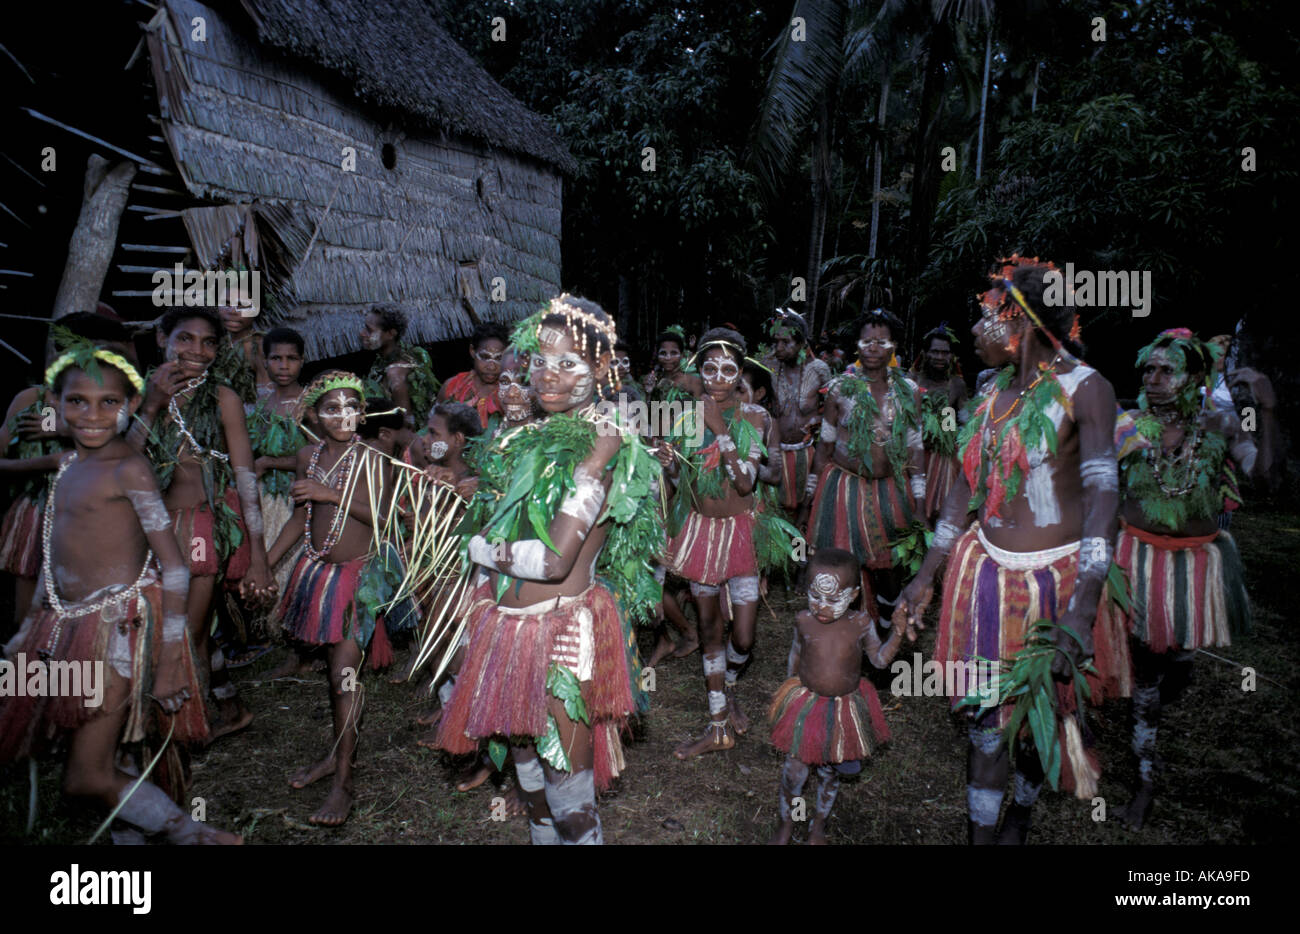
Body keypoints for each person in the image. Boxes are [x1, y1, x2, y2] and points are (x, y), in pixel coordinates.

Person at [894, 255, 1121, 845]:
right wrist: (925, 577)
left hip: (1057, 584)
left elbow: (1104, 497)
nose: (972, 332)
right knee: (986, 723)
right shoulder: (992, 392)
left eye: (983, 319)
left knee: (1038, 716)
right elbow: (962, 496)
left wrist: (1083, 607)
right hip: (987, 577)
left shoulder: (1085, 390)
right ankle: (982, 832)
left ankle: (1020, 810)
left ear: (1016, 321)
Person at [436, 295, 661, 844]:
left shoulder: (609, 449)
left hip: (561, 630)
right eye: (539, 360)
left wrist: (479, 548)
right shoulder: (518, 439)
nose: (548, 376)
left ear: (602, 369)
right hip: (504, 630)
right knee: (529, 781)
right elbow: (487, 534)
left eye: (568, 363)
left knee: (569, 797)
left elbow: (555, 561)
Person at [0, 344, 238, 843]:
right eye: (77, 402)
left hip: (119, 628)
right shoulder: (67, 464)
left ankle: (196, 835)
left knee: (86, 776)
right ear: (56, 405)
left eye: (108, 402)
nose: (92, 415)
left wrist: (172, 658)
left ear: (131, 405)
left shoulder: (127, 467)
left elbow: (173, 566)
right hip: (72, 623)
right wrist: (35, 626)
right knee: (113, 750)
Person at [1099, 328, 1274, 830]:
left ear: (1196, 377)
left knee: (1174, 669)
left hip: (1195, 567)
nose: (1152, 380)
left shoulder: (1222, 425)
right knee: (1148, 678)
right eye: (1147, 370)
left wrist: (1268, 411)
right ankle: (1144, 782)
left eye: (1165, 370)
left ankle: (1171, 672)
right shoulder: (1126, 427)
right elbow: (1098, 495)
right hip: (1136, 560)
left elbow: (1264, 477)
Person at [127, 307, 272, 741]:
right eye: (185, 339)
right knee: (147, 627)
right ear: (161, 340)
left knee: (187, 632)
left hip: (199, 529)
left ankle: (174, 731)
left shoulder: (223, 398)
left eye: (208, 342)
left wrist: (258, 558)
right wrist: (151, 406)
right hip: (143, 530)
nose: (197, 350)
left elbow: (245, 479)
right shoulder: (133, 395)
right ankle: (223, 707)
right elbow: (119, 463)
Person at [266, 373, 398, 825]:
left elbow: (385, 517)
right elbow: (300, 517)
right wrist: (264, 563)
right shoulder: (308, 455)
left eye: (352, 407)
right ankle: (337, 756)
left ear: (363, 412)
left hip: (357, 579)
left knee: (344, 675)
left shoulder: (374, 455)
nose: (344, 416)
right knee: (334, 675)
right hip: (316, 573)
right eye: (331, 408)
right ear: (312, 415)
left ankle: (343, 782)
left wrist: (331, 494)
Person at [661, 327, 772, 758]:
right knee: (710, 629)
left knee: (743, 638)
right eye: (710, 368)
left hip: (741, 532)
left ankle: (728, 684)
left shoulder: (757, 419)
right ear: (700, 371)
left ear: (740, 373)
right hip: (701, 533)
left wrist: (719, 427)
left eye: (728, 369)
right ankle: (717, 722)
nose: (718, 377)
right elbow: (680, 482)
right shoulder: (684, 418)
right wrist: (669, 465)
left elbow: (745, 483)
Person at [0, 311, 136, 630]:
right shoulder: (34, 400)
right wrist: (52, 453)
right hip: (40, 512)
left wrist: (64, 431)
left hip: (98, 518)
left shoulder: (119, 404)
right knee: (31, 618)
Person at [768, 548, 905, 844]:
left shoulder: (861, 624)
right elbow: (795, 654)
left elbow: (880, 661)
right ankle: (787, 822)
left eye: (833, 599)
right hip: (807, 704)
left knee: (830, 770)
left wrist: (897, 635)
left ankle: (818, 823)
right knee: (795, 771)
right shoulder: (803, 620)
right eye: (814, 596)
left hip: (842, 710)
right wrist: (789, 694)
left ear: (854, 594)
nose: (821, 607)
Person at [806, 309, 925, 613]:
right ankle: (849, 634)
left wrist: (921, 503)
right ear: (857, 346)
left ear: (894, 347)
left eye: (881, 342)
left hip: (890, 489)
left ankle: (885, 629)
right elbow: (825, 447)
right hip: (844, 488)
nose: (873, 348)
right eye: (867, 341)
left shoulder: (908, 391)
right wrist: (811, 496)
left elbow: (915, 447)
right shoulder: (838, 389)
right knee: (843, 565)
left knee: (888, 569)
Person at [762, 309, 831, 527]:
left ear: (801, 344)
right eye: (776, 342)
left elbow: (832, 410)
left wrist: (817, 423)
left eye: (786, 342)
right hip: (775, 451)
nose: (779, 348)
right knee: (772, 509)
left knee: (804, 508)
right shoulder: (768, 368)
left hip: (806, 453)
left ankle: (799, 551)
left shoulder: (819, 370)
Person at [910, 325, 969, 526]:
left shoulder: (955, 385)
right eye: (935, 351)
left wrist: (944, 425)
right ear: (925, 353)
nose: (939, 357)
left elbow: (964, 423)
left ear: (951, 356)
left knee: (939, 513)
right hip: (912, 454)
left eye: (945, 353)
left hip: (943, 459)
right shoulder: (912, 381)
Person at [361, 304, 439, 433]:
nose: (362, 333)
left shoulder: (395, 373)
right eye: (364, 327)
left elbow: (407, 423)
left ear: (391, 334)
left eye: (369, 330)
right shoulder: (385, 358)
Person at [438, 322, 508, 435]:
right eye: (485, 357)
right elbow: (434, 425)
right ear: (472, 351)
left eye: (499, 358)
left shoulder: (512, 394)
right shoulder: (452, 387)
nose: (491, 366)